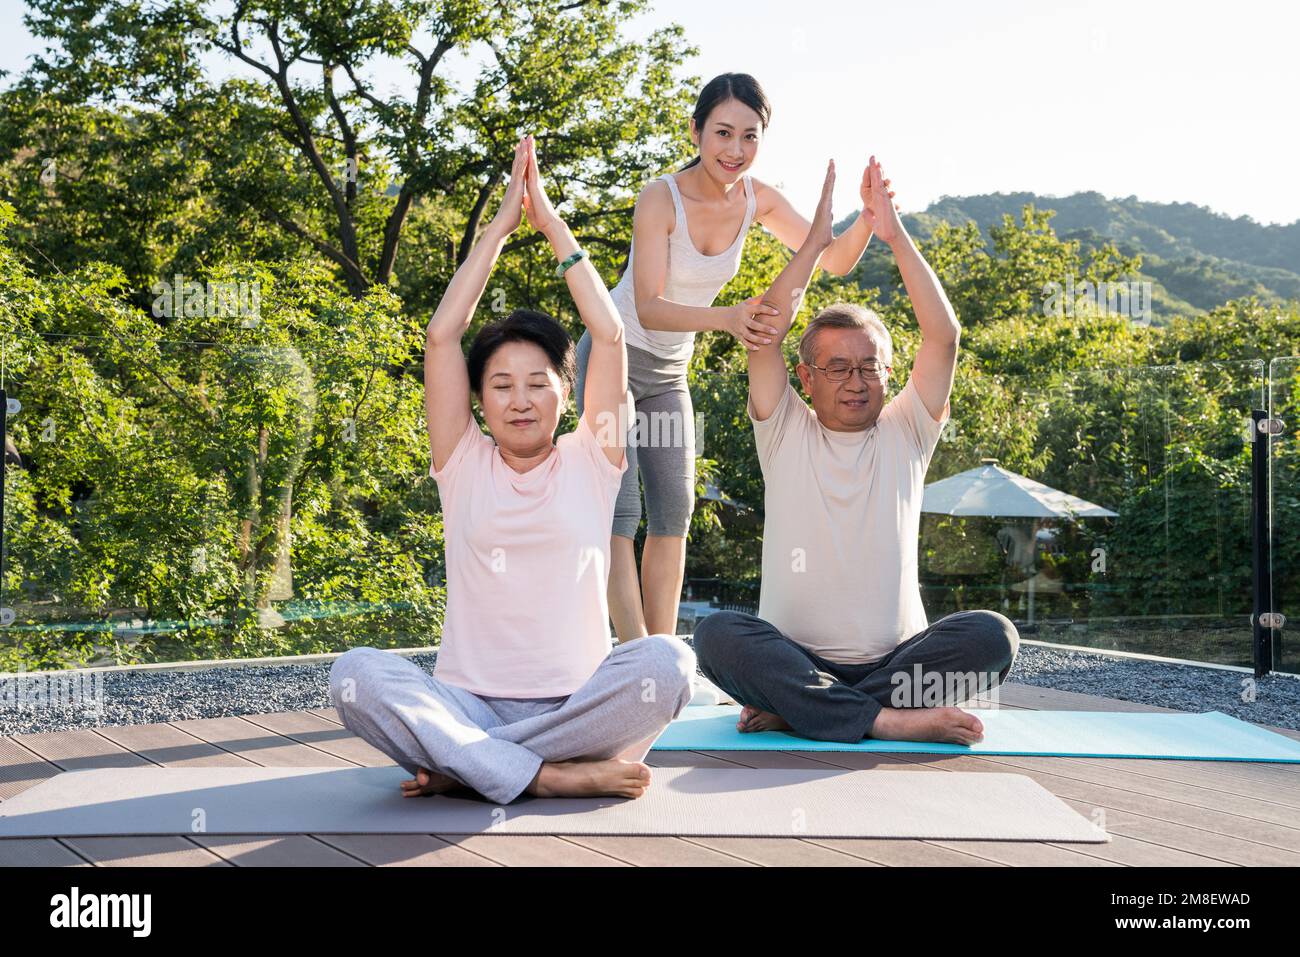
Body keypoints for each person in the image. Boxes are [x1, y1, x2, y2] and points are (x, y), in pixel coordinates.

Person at [329, 134, 696, 805]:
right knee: (355, 675)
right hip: (469, 706)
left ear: (567, 388)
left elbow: (611, 333)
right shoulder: (461, 460)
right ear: (479, 400)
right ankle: (544, 776)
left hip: (577, 713)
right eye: (501, 385)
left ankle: (473, 768)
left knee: (670, 662)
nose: (520, 399)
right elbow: (443, 334)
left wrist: (553, 226)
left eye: (537, 382)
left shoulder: (596, 456)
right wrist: (499, 228)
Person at [692, 156, 1020, 746]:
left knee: (994, 637)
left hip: (897, 667)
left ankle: (812, 712)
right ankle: (880, 721)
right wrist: (817, 245)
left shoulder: (908, 432)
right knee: (716, 635)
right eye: (837, 367)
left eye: (868, 367)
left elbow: (943, 336)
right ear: (806, 377)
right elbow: (764, 326)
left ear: (888, 375)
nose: (854, 380)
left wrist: (892, 235)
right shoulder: (785, 428)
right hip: (796, 658)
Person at [573, 73, 889, 644]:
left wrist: (868, 216)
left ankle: (663, 657)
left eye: (749, 137)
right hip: (612, 358)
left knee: (674, 513)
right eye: (722, 133)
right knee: (620, 517)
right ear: (696, 131)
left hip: (668, 372)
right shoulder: (659, 197)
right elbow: (647, 306)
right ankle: (633, 656)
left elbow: (834, 257)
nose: (735, 151)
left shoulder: (757, 198)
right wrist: (726, 317)